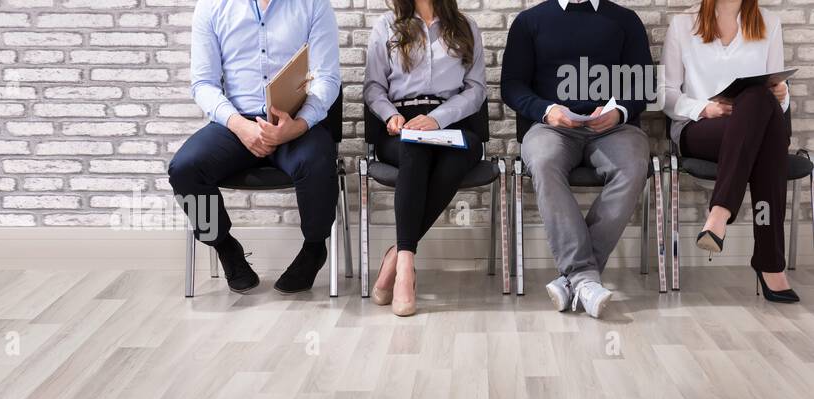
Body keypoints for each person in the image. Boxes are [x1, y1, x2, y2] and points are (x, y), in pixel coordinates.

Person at [170, 0, 342, 295]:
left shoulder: (314, 5)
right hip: (237, 123)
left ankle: (314, 248)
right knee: (185, 169)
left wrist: (298, 125)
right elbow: (203, 84)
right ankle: (225, 246)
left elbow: (327, 77)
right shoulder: (212, 7)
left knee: (317, 162)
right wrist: (240, 126)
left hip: (294, 120)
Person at [501, 0, 654, 318]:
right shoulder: (529, 22)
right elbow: (512, 86)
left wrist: (619, 111)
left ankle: (574, 278)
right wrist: (547, 110)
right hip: (551, 127)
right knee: (543, 162)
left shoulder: (625, 20)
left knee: (634, 165)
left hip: (614, 128)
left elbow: (643, 83)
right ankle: (585, 277)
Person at [663, 0, 799, 303]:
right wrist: (704, 108)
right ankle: (770, 263)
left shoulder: (770, 23)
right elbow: (666, 94)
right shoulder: (682, 25)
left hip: (757, 131)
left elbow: (777, 98)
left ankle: (719, 215)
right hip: (699, 128)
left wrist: (783, 94)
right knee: (762, 118)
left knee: (760, 98)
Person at [363, 0, 486, 316]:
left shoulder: (466, 27)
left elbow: (475, 90)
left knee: (457, 158)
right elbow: (373, 87)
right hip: (402, 124)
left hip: (451, 122)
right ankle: (406, 267)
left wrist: (438, 119)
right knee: (414, 151)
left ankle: (397, 255)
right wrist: (390, 115)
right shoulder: (386, 26)